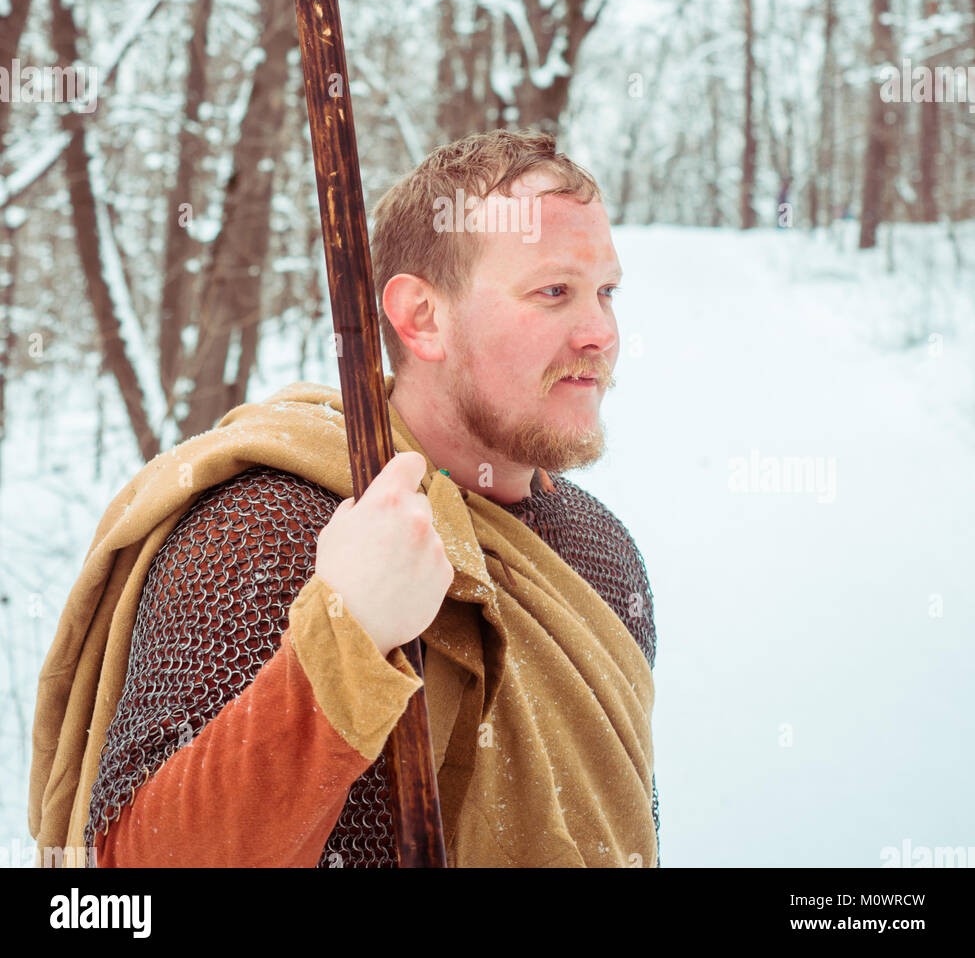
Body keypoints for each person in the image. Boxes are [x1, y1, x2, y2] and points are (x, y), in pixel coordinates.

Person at [30, 128, 659, 868]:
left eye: (605, 292)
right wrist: (345, 637)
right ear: (422, 318)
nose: (600, 334)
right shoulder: (266, 530)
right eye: (553, 292)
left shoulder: (600, 549)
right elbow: (139, 874)